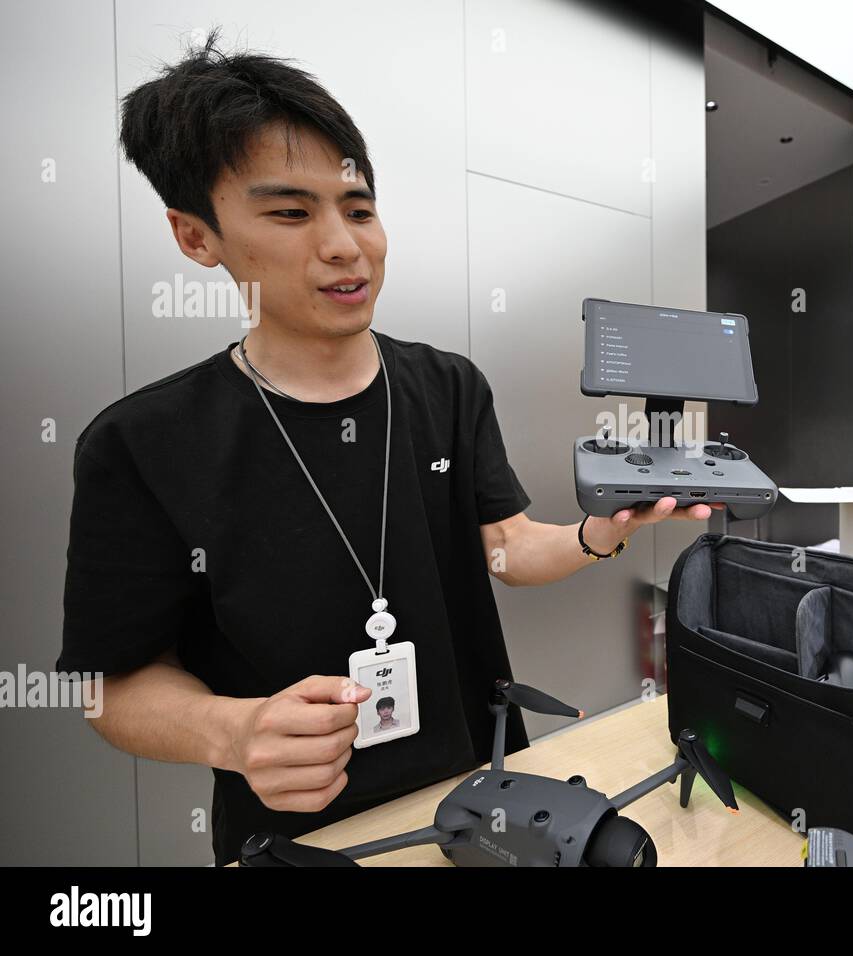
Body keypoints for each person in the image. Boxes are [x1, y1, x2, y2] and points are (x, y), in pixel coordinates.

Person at [57, 30, 714, 865]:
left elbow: (506, 549)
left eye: (359, 209)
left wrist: (599, 534)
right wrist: (233, 729)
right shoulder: (141, 443)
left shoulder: (447, 387)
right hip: (300, 837)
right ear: (196, 236)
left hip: (482, 802)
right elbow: (113, 687)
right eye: (291, 212)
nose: (345, 245)